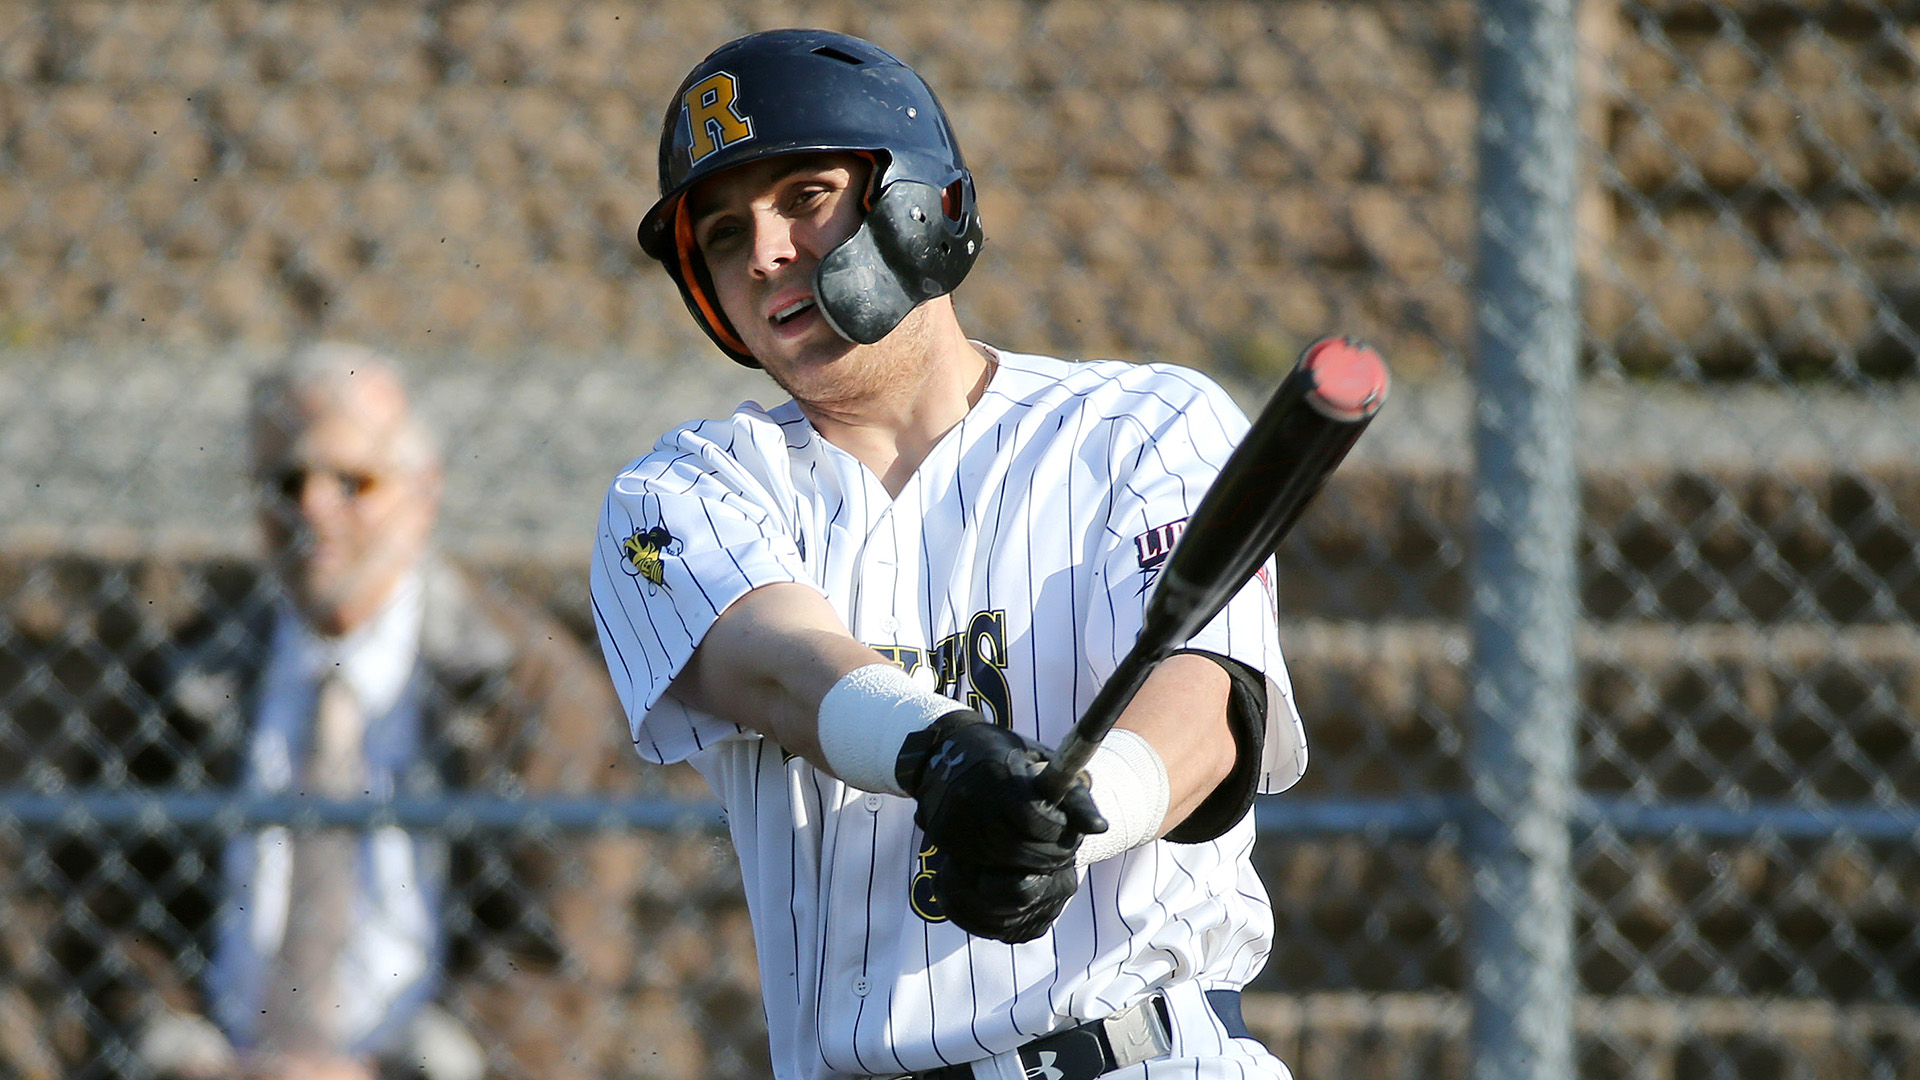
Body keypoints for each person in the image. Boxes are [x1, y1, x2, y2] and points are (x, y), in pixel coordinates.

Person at [591, 28, 1309, 1080]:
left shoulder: (1144, 424)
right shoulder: (683, 491)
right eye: (726, 231)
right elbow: (782, 667)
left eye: (805, 195)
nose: (767, 252)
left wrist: (1077, 815)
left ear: (915, 201)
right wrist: (942, 757)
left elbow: (1204, 710)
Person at [77, 343, 641, 1080]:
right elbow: (107, 909)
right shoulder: (182, 680)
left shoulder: (527, 684)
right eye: (285, 479)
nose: (312, 506)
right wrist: (183, 1055)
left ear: (424, 490)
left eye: (354, 480)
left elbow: (564, 944)